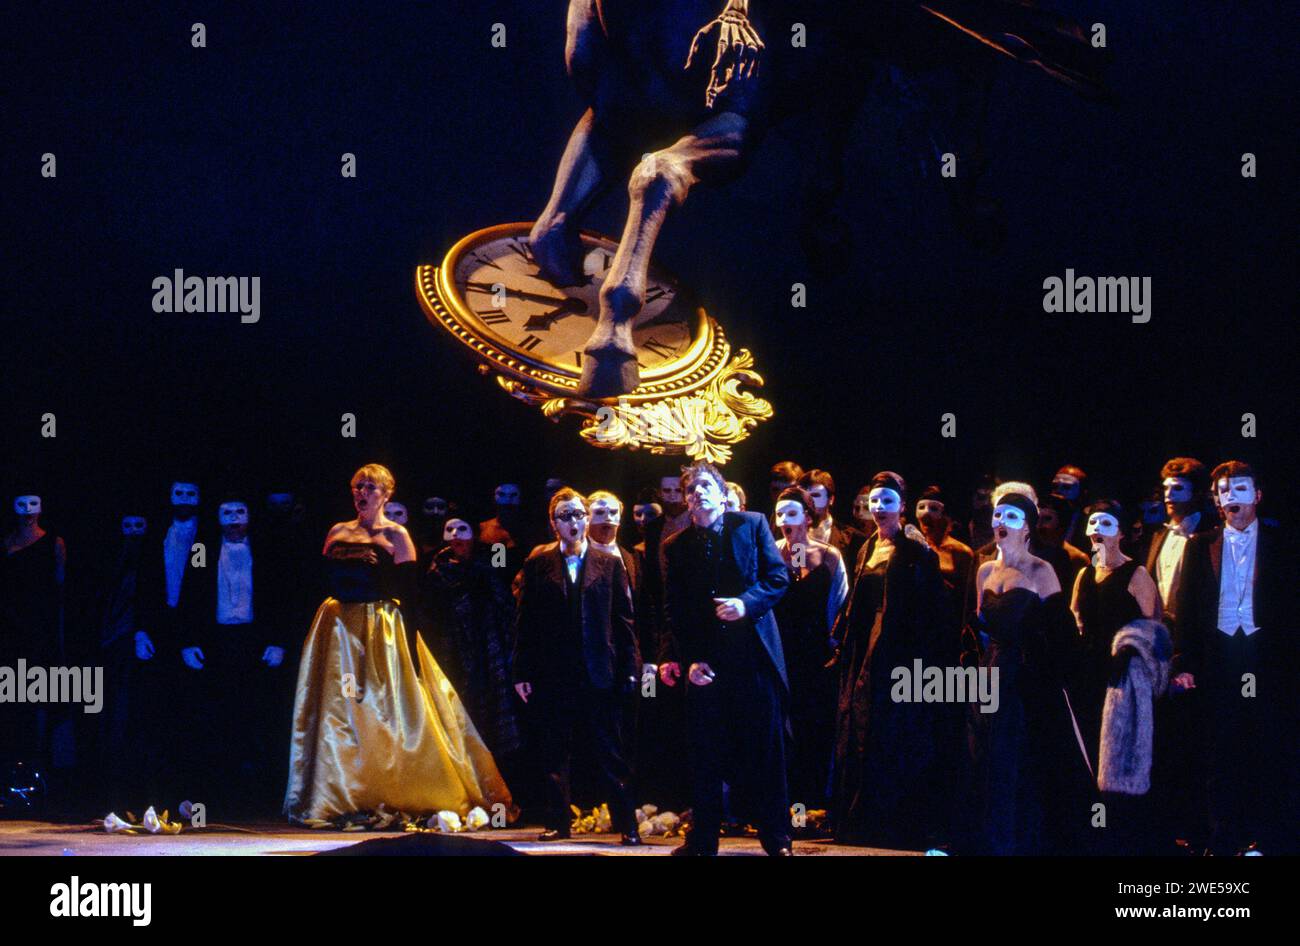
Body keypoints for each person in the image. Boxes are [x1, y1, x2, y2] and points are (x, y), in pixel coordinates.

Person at [284, 464, 513, 823]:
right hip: (338, 625)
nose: (363, 493)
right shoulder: (337, 531)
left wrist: (411, 650)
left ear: (387, 494)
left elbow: (409, 595)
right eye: (358, 486)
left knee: (385, 711)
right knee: (337, 713)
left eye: (372, 487)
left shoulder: (398, 535)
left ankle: (396, 787)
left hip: (379, 627)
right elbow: (322, 579)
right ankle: (341, 793)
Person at [659, 460, 792, 856]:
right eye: (690, 490)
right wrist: (691, 659)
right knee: (705, 754)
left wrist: (745, 603)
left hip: (753, 658)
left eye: (704, 486)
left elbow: (778, 579)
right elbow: (675, 610)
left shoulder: (751, 525)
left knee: (765, 751)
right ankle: (703, 840)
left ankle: (777, 839)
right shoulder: (675, 546)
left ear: (721, 493)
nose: (696, 493)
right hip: (709, 664)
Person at [1174, 462, 1296, 854]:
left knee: (1266, 749)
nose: (1232, 498)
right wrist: (1185, 663)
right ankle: (1224, 838)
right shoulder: (1199, 546)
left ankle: (1265, 839)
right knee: (1220, 753)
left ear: (1257, 496)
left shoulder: (1282, 543)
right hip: (1219, 661)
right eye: (1224, 491)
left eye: (1240, 489)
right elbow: (1187, 609)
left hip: (1266, 663)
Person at [831, 471, 954, 849]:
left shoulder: (914, 547)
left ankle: (893, 825)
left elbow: (930, 608)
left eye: (887, 501)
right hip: (863, 654)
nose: (879, 508)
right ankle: (858, 822)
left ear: (902, 506)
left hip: (899, 657)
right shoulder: (868, 545)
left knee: (892, 735)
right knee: (859, 730)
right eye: (875, 501)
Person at [512, 488, 640, 843]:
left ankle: (627, 824)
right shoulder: (538, 565)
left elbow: (623, 621)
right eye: (564, 516)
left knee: (610, 750)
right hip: (554, 671)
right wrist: (522, 671)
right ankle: (558, 821)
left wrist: (630, 667)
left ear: (586, 520)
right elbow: (526, 621)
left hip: (599, 668)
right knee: (555, 749)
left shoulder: (609, 562)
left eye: (578, 515)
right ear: (553, 524)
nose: (573, 522)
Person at [966, 487, 1082, 854]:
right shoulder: (984, 568)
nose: (1001, 522)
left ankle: (1016, 843)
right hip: (989, 674)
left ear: (1028, 528)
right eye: (998, 515)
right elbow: (975, 629)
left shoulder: (1040, 569)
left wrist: (1052, 680)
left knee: (1015, 760)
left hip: (1025, 677)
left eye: (1011, 517)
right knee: (982, 757)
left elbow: (1061, 632)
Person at [772, 486, 847, 814]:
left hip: (815, 660)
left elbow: (839, 605)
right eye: (780, 514)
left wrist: (834, 648)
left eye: (792, 513)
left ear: (807, 516)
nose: (785, 520)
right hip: (778, 657)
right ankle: (781, 808)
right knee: (781, 734)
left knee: (813, 733)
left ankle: (811, 809)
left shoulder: (829, 556)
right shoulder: (771, 554)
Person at [1069, 500, 1159, 769]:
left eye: (1106, 524)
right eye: (1093, 523)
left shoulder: (1136, 573)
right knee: (1090, 738)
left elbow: (1152, 625)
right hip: (1089, 670)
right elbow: (1074, 617)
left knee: (1117, 745)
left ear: (1120, 533)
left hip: (1123, 671)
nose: (1098, 529)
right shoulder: (1085, 573)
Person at [0, 492, 68, 768]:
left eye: (33, 505)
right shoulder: (6, 543)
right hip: (10, 629)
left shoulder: (54, 543)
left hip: (42, 630)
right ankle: (14, 763)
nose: (28, 511)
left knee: (38, 696)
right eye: (22, 505)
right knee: (13, 699)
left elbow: (61, 588)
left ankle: (39, 765)